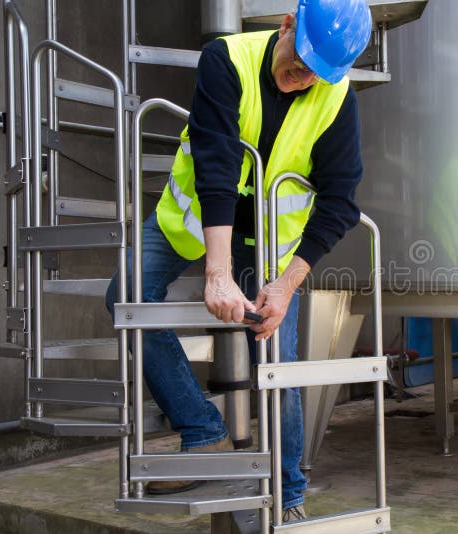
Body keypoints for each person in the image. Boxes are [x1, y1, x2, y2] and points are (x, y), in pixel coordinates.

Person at [106, 0, 372, 521]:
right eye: (301, 61)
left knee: (278, 366)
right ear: (286, 24)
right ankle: (204, 432)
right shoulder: (225, 59)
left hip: (274, 246)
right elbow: (216, 165)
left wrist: (288, 283)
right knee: (127, 298)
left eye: (318, 74)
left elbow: (340, 199)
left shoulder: (337, 96)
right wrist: (218, 272)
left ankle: (288, 496)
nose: (303, 79)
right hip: (194, 220)